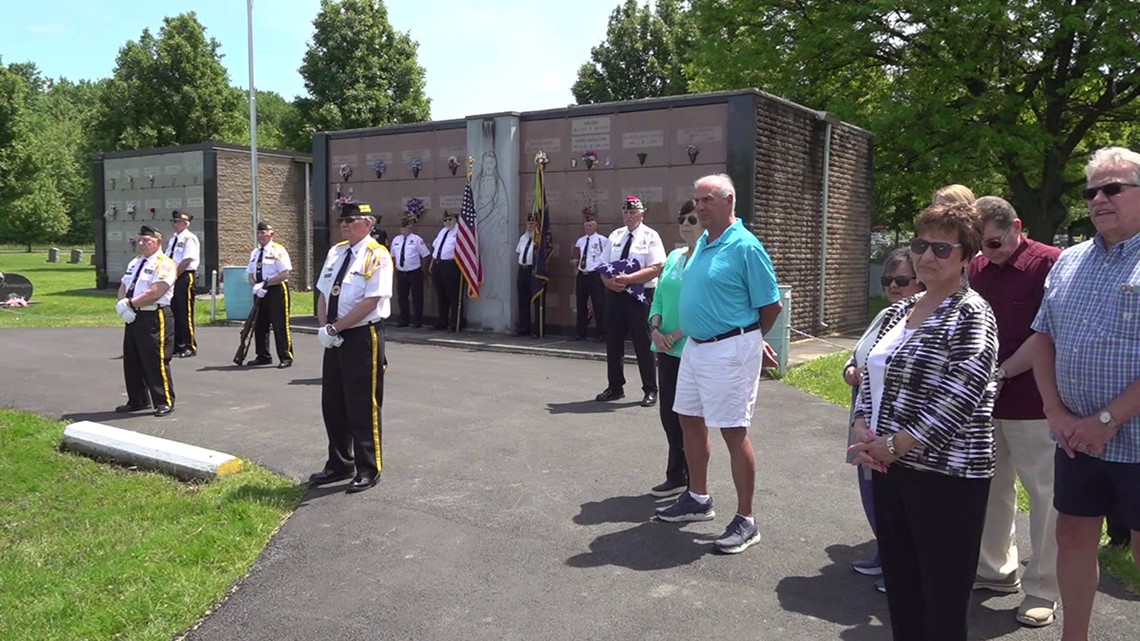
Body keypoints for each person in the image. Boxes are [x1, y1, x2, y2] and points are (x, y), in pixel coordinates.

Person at [848, 202, 998, 641]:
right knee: (903, 591)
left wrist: (897, 444)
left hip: (947, 476)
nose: (927, 256)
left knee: (942, 599)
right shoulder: (902, 309)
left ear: (967, 256)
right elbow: (871, 369)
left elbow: (962, 393)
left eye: (942, 248)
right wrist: (862, 424)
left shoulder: (972, 313)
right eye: (920, 245)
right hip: (891, 470)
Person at [1029, 146, 1140, 641]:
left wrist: (1106, 420)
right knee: (1072, 535)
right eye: (1091, 191)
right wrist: (1054, 411)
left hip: (1136, 440)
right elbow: (1043, 338)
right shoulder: (1069, 260)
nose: (1098, 199)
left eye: (1112, 188)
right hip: (1075, 438)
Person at [654, 175, 782, 557]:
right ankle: (698, 497)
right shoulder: (704, 244)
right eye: (696, 200)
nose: (699, 206)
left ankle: (746, 519)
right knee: (689, 420)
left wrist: (750, 339)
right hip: (695, 349)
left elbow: (771, 304)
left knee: (733, 431)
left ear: (729, 201)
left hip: (729, 350)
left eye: (706, 199)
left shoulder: (745, 246)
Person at [967, 195, 1061, 627]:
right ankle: (995, 570)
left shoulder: (1050, 264)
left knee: (1045, 497)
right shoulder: (977, 269)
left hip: (1035, 402)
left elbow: (1046, 334)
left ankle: (1043, 588)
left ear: (1017, 226)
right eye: (980, 245)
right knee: (991, 489)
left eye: (994, 242)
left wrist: (1000, 373)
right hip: (987, 403)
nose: (988, 253)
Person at [842, 247, 925, 592]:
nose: (893, 286)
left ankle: (903, 566)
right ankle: (886, 552)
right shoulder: (886, 315)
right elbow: (857, 354)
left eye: (901, 280)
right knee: (872, 490)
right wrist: (850, 370)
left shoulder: (924, 319)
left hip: (896, 428)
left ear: (920, 280)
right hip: (866, 420)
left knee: (899, 496)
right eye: (887, 280)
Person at [309, 202, 393, 494]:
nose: (344, 225)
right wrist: (325, 327)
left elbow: (371, 301)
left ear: (368, 224)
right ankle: (339, 463)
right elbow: (323, 292)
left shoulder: (377, 255)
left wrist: (336, 328)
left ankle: (368, 468)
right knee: (332, 402)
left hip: (361, 336)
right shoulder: (336, 252)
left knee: (362, 404)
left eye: (351, 220)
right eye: (342, 220)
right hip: (333, 335)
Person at [646, 199, 701, 499]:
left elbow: (705, 306)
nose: (685, 224)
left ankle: (695, 483)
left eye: (692, 219)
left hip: (690, 349)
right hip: (664, 348)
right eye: (682, 219)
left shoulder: (705, 258)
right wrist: (655, 329)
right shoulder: (674, 255)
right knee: (668, 415)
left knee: (689, 420)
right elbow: (659, 298)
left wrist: (677, 334)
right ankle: (675, 474)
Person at [595, 196, 666, 407]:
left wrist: (629, 279)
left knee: (643, 343)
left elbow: (656, 268)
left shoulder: (651, 236)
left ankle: (650, 389)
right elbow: (603, 265)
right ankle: (615, 386)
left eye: (633, 212)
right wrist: (607, 282)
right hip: (616, 294)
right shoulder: (615, 235)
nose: (629, 216)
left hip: (640, 295)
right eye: (625, 212)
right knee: (613, 342)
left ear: (642, 214)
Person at [114, 224, 177, 417]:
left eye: (146, 240)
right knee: (132, 359)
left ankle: (164, 401)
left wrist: (130, 304)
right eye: (140, 240)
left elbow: (156, 292)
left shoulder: (164, 263)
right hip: (134, 315)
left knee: (155, 359)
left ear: (158, 241)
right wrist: (124, 304)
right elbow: (124, 285)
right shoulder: (135, 262)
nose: (141, 243)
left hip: (154, 315)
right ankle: (138, 400)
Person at [245, 221, 294, 369]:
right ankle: (263, 356)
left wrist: (266, 284)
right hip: (260, 291)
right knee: (259, 324)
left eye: (263, 233)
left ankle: (285, 357)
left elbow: (284, 273)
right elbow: (250, 273)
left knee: (280, 324)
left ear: (271, 234)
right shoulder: (255, 253)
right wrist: (255, 285)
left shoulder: (277, 250)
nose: (261, 235)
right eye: (259, 233)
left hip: (276, 290)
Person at [571, 214, 610, 341]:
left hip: (595, 275)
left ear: (595, 227)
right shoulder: (580, 241)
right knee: (581, 304)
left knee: (599, 304)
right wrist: (574, 260)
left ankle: (602, 333)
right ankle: (580, 332)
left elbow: (607, 256)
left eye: (590, 226)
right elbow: (575, 255)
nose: (588, 228)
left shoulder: (602, 240)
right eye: (586, 226)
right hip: (582, 274)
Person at [167, 210, 200, 357]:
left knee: (185, 312)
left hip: (184, 276)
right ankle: (177, 344)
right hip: (172, 277)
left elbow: (187, 260)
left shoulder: (189, 238)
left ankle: (189, 345)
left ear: (185, 224)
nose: (174, 224)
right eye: (173, 221)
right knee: (174, 311)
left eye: (176, 221)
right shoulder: (173, 239)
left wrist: (174, 275)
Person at [390, 214, 430, 328]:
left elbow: (425, 256)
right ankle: (404, 319)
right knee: (402, 297)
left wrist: (423, 271)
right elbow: (393, 256)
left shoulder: (417, 240)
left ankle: (417, 321)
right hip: (401, 272)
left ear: (411, 228)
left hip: (414, 272)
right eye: (402, 228)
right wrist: (395, 269)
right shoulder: (396, 240)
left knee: (417, 297)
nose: (404, 230)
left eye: (406, 227)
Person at [429, 211, 462, 331]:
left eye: (450, 219)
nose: (447, 222)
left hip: (451, 265)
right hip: (438, 264)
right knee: (441, 295)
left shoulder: (459, 232)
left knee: (452, 295)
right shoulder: (442, 231)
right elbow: (436, 247)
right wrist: (432, 264)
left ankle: (454, 323)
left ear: (455, 220)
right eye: (445, 220)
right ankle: (442, 321)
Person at [515, 216, 543, 336]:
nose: (530, 226)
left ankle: (537, 329)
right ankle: (524, 327)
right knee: (522, 299)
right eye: (528, 223)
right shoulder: (523, 238)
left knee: (536, 299)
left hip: (533, 271)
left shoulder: (539, 240)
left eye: (532, 223)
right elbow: (519, 252)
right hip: (523, 269)